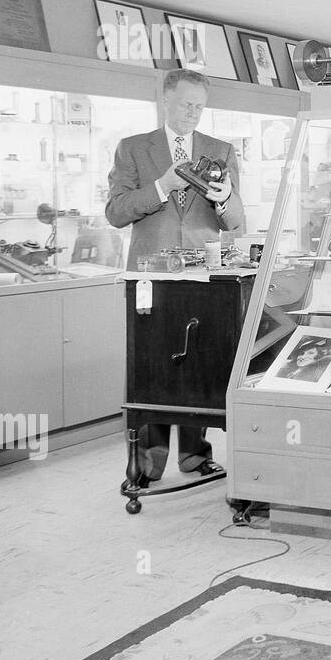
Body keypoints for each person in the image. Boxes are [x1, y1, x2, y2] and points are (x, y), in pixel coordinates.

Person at [106, 68, 245, 491]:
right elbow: (115, 212)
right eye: (186, 104)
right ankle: (148, 464)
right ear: (166, 99)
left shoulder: (220, 150)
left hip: (204, 278)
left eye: (200, 107)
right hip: (151, 278)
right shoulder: (133, 149)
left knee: (199, 360)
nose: (193, 113)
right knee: (152, 365)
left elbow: (237, 222)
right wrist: (161, 186)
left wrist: (224, 200)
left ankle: (195, 455)